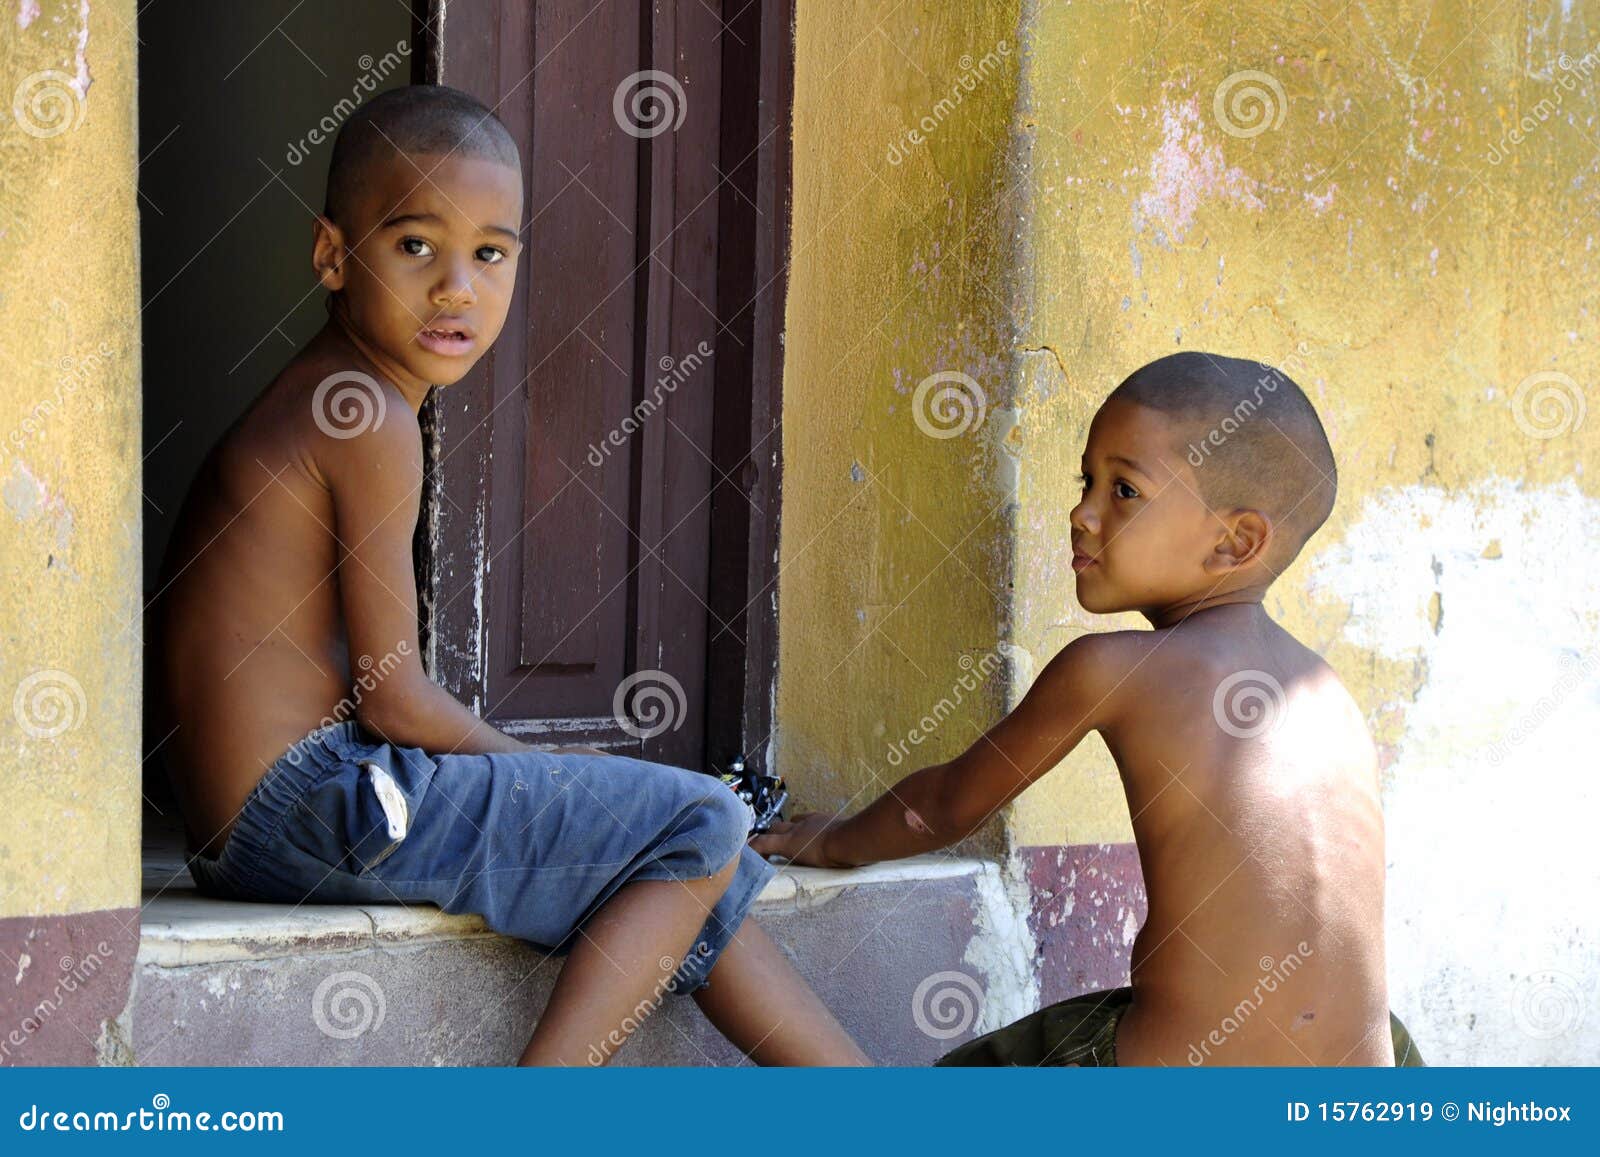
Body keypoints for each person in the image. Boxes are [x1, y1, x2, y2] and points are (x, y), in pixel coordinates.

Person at [154, 84, 866, 1067]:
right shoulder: (366, 414)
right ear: (332, 253)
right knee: (700, 814)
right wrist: (544, 772)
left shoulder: (336, 393)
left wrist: (573, 792)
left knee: (684, 853)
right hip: (308, 803)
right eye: (415, 246)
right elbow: (394, 696)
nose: (457, 287)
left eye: (489, 253)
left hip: (261, 816)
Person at [755, 352, 1423, 1066]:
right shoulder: (1328, 693)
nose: (1082, 512)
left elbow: (951, 802)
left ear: (1235, 541)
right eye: (1088, 481)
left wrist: (833, 840)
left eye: (1125, 490)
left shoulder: (1113, 668)